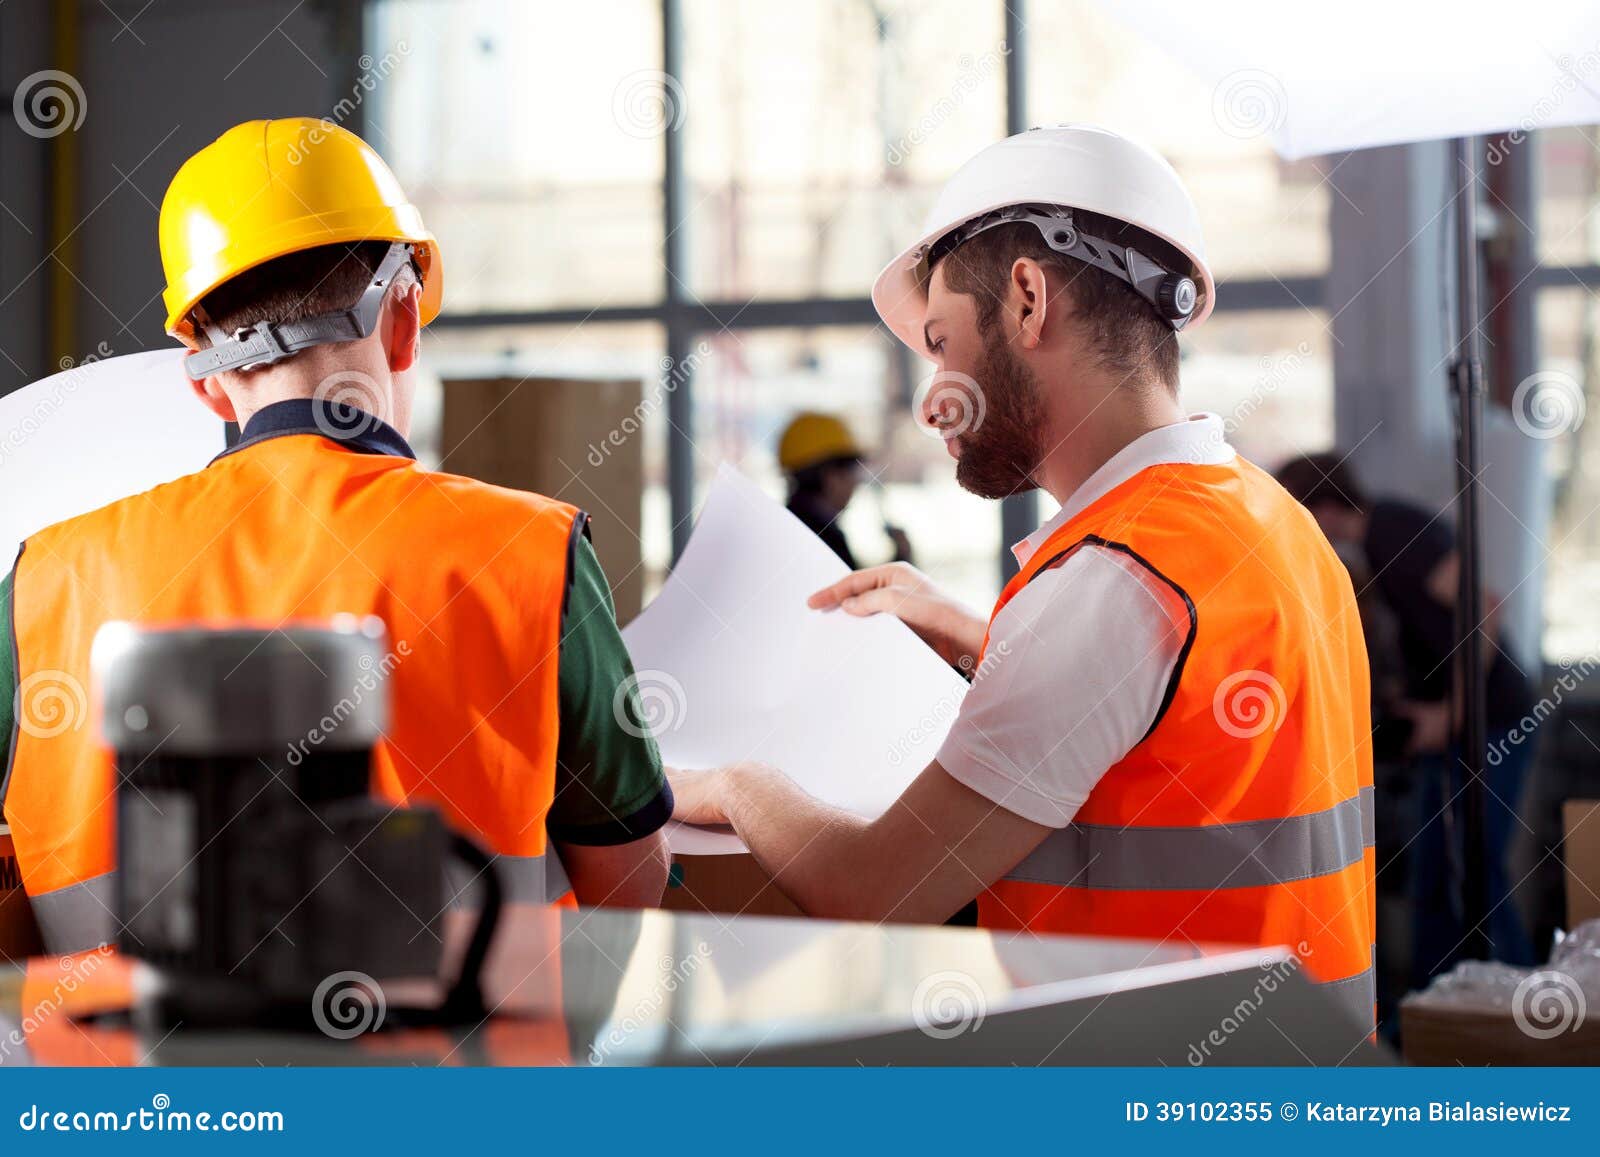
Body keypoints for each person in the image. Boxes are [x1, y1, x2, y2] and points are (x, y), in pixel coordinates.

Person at [668, 125, 1378, 1029]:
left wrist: (734, 784)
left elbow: (874, 886)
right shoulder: (1267, 518)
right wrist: (991, 638)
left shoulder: (1111, 582)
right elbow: (1175, 725)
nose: (934, 397)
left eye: (942, 341)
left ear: (1028, 300)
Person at [0, 119, 670, 954]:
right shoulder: (534, 550)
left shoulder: (44, 581)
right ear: (404, 320)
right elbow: (629, 892)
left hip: (119, 1047)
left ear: (204, 380)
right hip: (467, 1043)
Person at [1275, 452, 1537, 983]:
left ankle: (1523, 1004)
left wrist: (1452, 712)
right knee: (1434, 873)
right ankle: (1434, 1005)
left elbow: (1485, 606)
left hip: (1494, 720)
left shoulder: (1393, 529)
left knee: (1476, 868)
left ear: (1323, 509)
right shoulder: (1372, 551)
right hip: (1456, 727)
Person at [777, 411, 913, 569]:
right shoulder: (825, 538)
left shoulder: (788, 527)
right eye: (853, 470)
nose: (856, 482)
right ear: (831, 476)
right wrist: (901, 560)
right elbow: (850, 584)